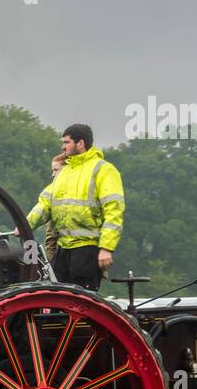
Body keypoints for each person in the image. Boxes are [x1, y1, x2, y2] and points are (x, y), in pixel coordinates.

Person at [26, 124, 124, 290]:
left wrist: (106, 248)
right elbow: (45, 203)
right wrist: (24, 225)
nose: (63, 147)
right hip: (63, 249)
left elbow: (113, 211)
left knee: (82, 305)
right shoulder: (65, 172)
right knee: (58, 301)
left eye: (67, 142)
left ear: (81, 143)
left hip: (87, 250)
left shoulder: (104, 170)